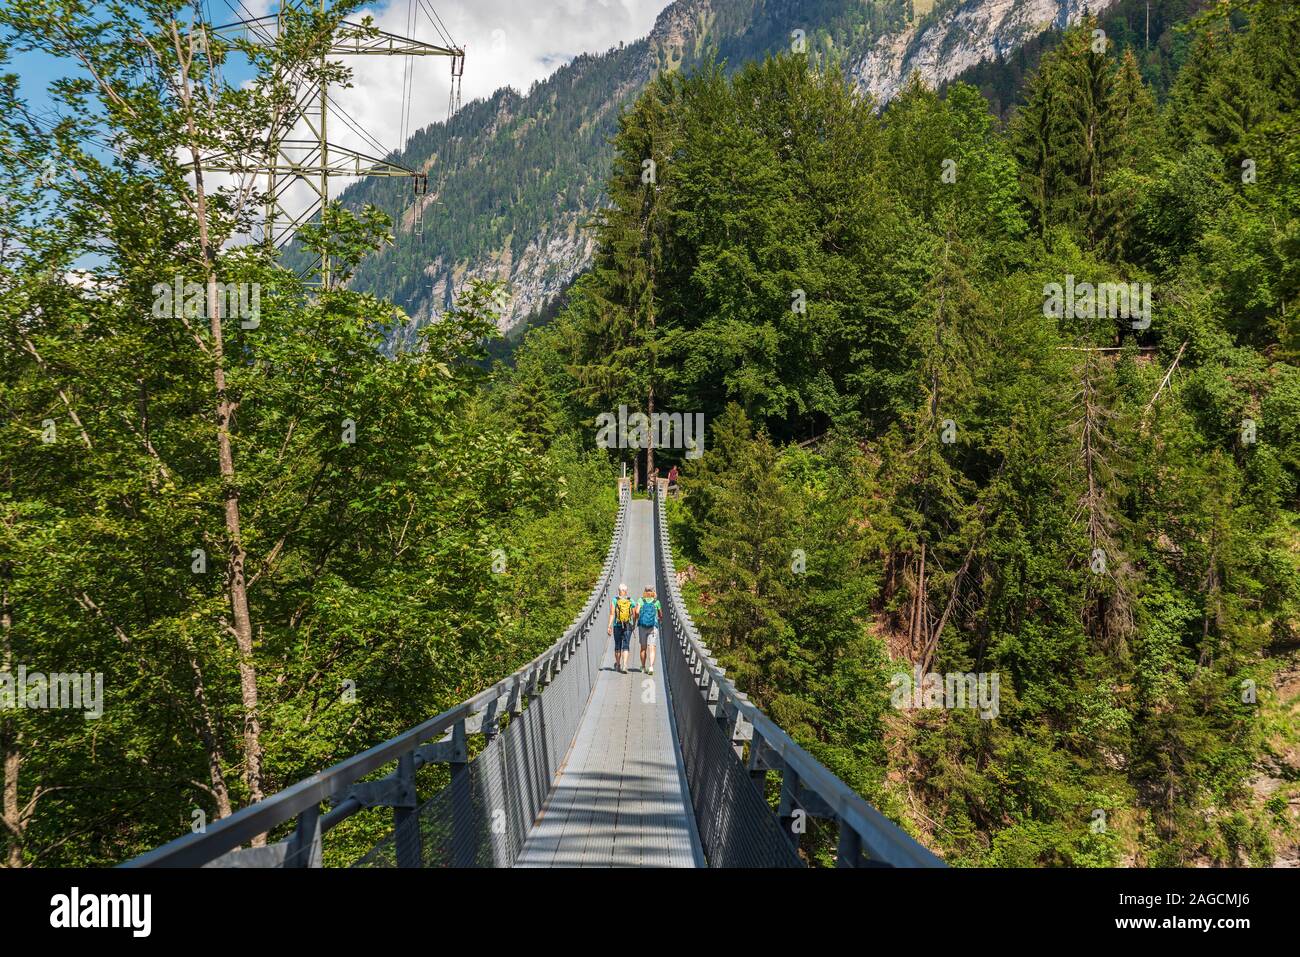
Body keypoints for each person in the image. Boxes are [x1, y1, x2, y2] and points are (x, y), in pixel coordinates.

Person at [634, 585, 662, 675]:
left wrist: (638, 619)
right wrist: (660, 619)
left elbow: (637, 612)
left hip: (642, 626)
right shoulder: (656, 602)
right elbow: (660, 614)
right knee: (652, 648)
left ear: (645, 591)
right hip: (653, 626)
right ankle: (651, 667)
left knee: (643, 648)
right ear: (653, 591)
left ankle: (643, 667)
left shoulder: (641, 600)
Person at [607, 583, 634, 673]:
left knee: (617, 646)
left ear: (619, 591)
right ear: (626, 591)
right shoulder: (631, 600)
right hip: (628, 625)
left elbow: (612, 614)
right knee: (626, 645)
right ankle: (625, 665)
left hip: (617, 625)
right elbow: (634, 614)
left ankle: (618, 665)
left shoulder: (615, 600)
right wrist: (633, 624)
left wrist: (609, 626)